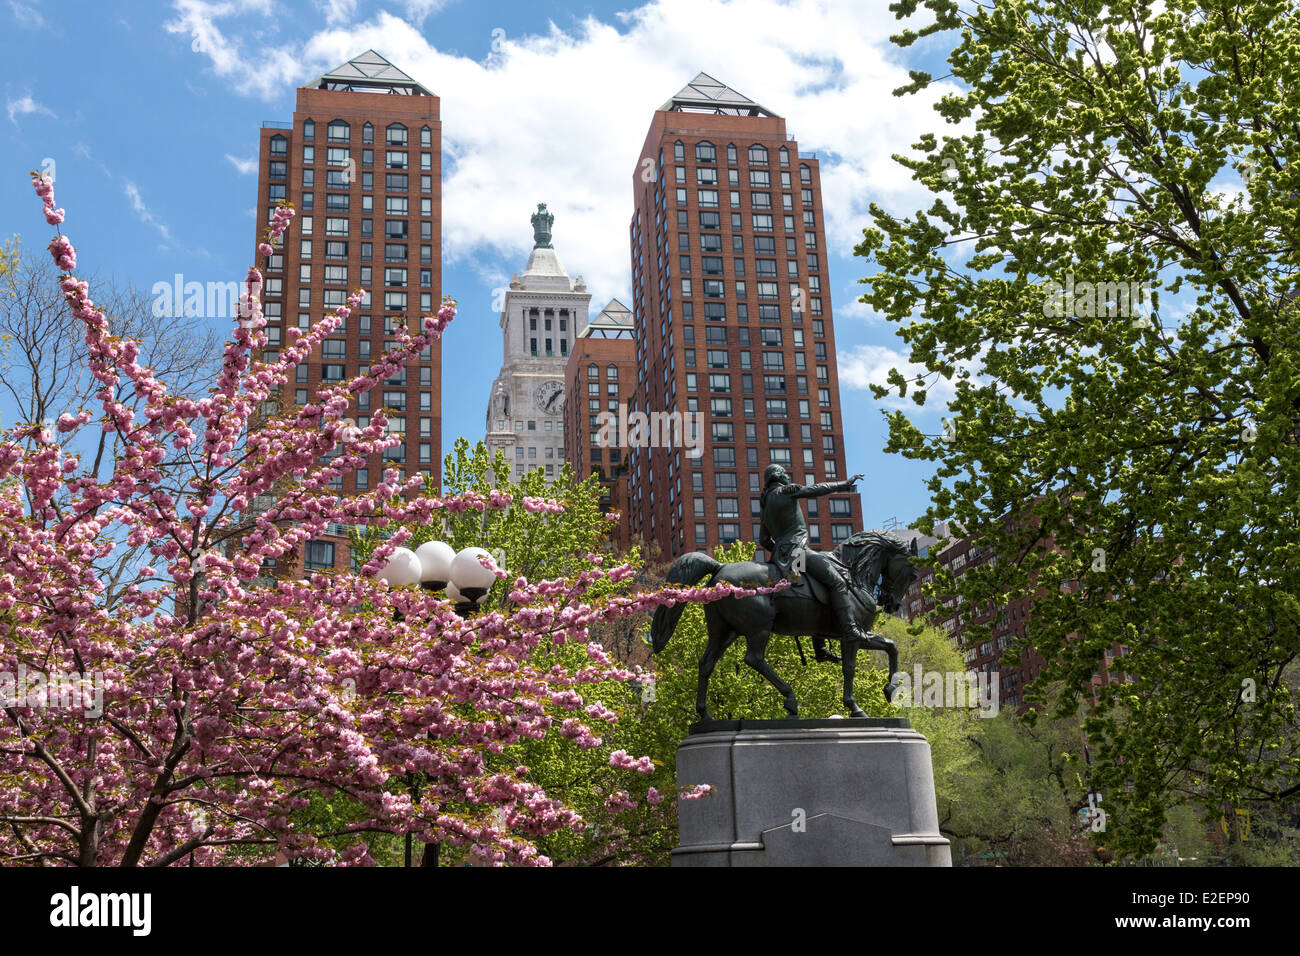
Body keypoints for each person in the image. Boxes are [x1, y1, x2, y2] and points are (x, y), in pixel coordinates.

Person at [759, 465, 866, 662]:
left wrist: (781, 547)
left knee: (815, 587)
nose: (787, 475)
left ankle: (821, 647)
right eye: (784, 473)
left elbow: (763, 540)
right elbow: (817, 489)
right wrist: (845, 484)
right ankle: (850, 630)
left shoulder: (765, 504)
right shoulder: (786, 491)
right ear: (778, 476)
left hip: (780, 556)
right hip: (798, 551)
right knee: (837, 583)